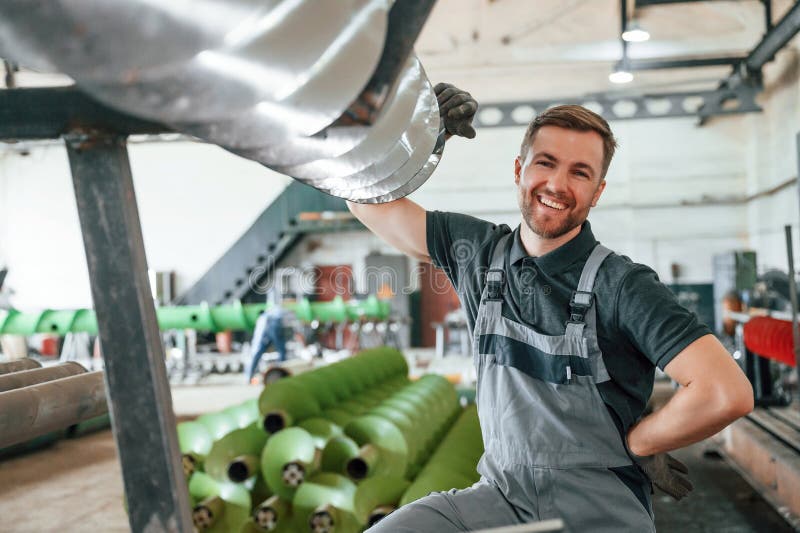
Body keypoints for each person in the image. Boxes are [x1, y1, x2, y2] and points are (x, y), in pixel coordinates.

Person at [349, 84, 754, 532]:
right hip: (499, 496)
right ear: (520, 169)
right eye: (546, 163)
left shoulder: (621, 285)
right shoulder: (476, 252)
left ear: (597, 192)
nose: (558, 185)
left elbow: (725, 391)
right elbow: (365, 201)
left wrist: (641, 442)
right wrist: (415, 137)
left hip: (596, 511)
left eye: (580, 173)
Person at [247, 291, 288, 384]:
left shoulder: (266, 313)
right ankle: (282, 376)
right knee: (281, 351)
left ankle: (248, 377)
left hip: (267, 321)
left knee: (257, 351)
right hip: (274, 321)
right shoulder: (279, 309)